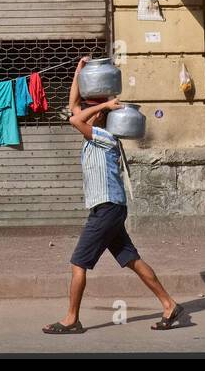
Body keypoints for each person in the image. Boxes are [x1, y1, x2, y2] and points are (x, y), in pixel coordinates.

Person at [43, 57, 184, 334]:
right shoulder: (93, 136)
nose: (87, 112)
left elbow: (74, 118)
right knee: (131, 259)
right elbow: (74, 108)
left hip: (107, 208)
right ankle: (169, 304)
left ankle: (72, 319)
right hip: (109, 207)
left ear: (100, 118)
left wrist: (106, 105)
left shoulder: (105, 137)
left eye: (92, 112)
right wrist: (78, 72)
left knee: (77, 263)